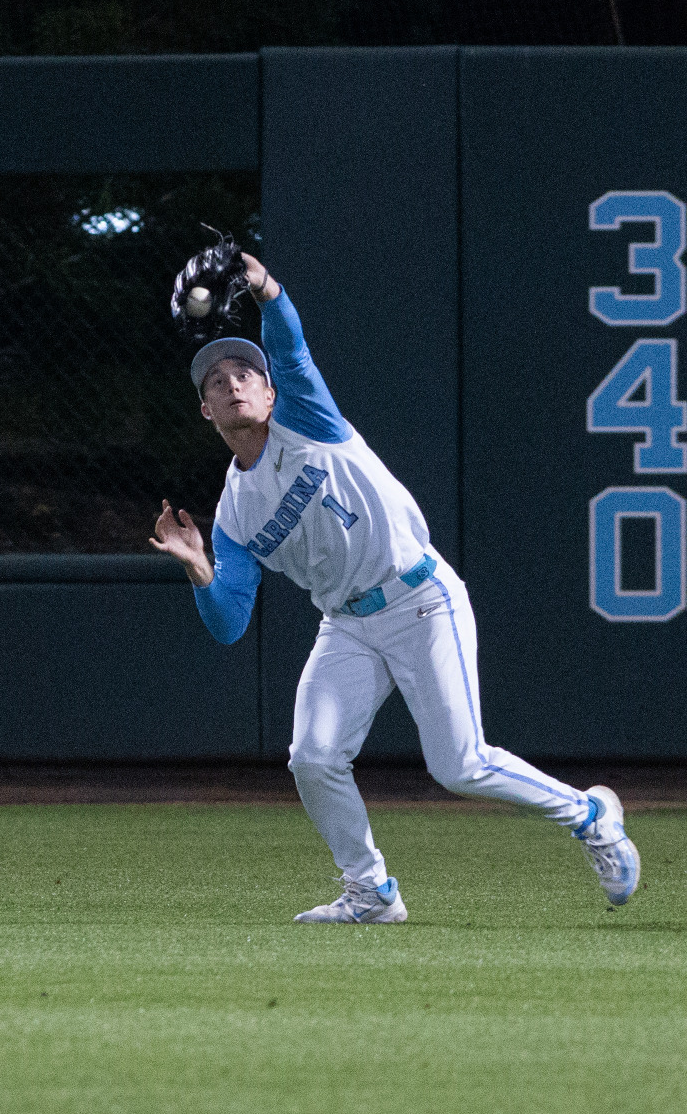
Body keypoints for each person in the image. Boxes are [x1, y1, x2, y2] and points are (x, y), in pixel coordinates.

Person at [149, 253, 640, 924]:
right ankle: (371, 891)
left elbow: (287, 340)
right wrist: (198, 567)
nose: (234, 384)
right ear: (204, 410)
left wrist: (262, 284)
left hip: (420, 599)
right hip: (347, 626)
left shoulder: (307, 419)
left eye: (245, 373)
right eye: (217, 381)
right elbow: (230, 621)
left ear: (269, 393)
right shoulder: (234, 515)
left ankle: (590, 813)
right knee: (314, 756)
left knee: (460, 764)